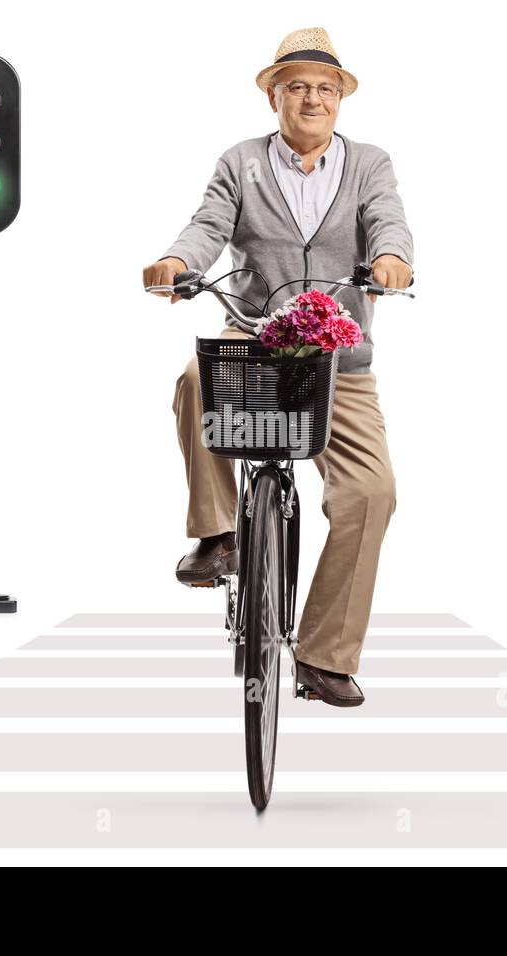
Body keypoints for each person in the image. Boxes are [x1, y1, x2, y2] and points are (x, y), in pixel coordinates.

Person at [142, 27, 415, 707]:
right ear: (275, 96)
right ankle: (220, 534)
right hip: (256, 342)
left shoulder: (369, 164)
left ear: (340, 100)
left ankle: (325, 655)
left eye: (325, 88)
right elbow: (208, 225)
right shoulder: (242, 162)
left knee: (370, 494)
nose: (312, 99)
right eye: (297, 87)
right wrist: (177, 266)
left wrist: (391, 262)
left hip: (338, 360)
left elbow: (389, 223)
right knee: (193, 377)